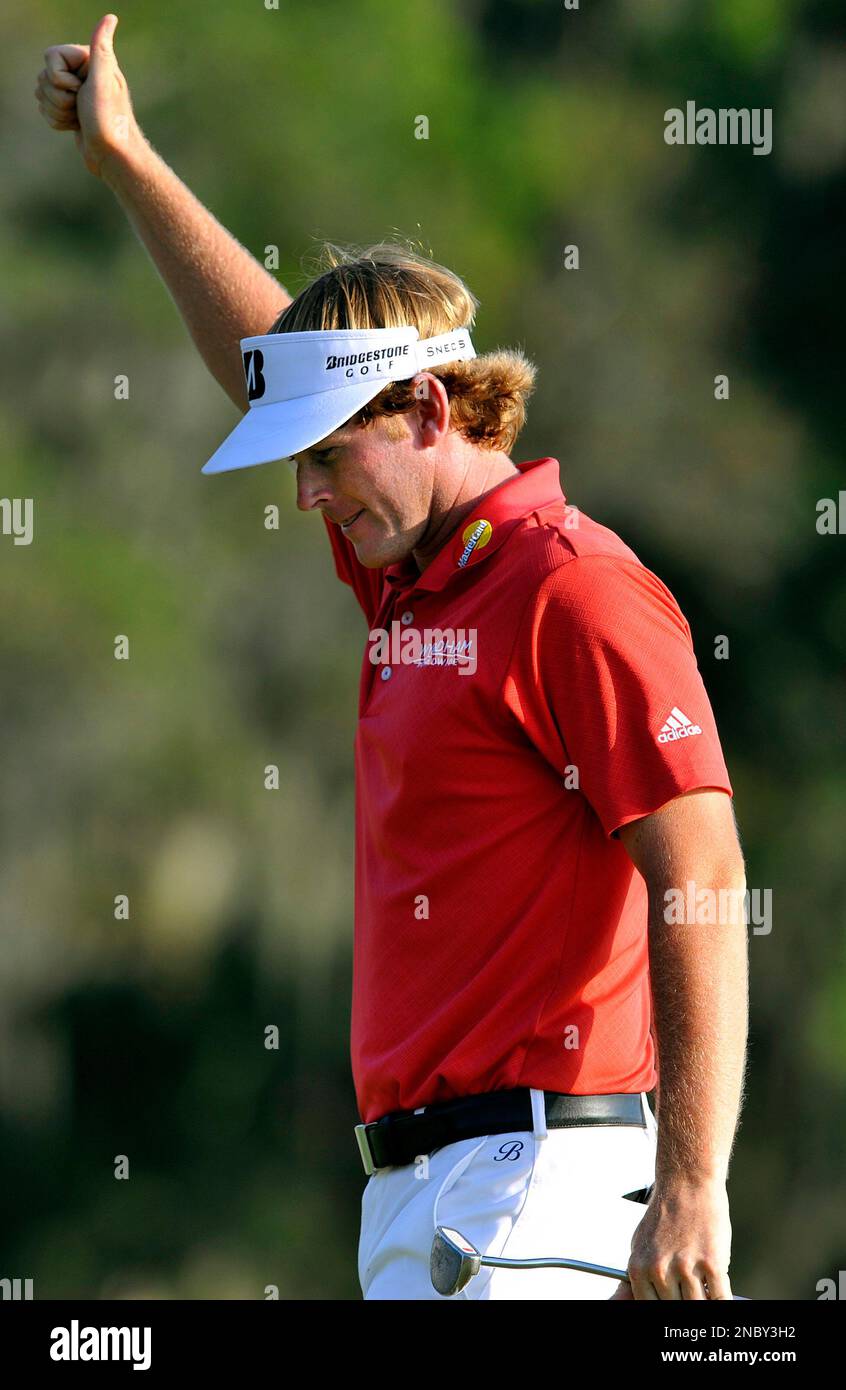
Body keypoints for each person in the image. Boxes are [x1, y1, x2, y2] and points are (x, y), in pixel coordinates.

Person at [35, 14, 750, 1301]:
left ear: (429, 408)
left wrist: (695, 1181)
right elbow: (272, 369)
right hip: (421, 1198)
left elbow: (700, 867)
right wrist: (130, 163)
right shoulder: (413, 570)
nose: (309, 492)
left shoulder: (572, 588)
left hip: (543, 1186)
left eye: (329, 457)